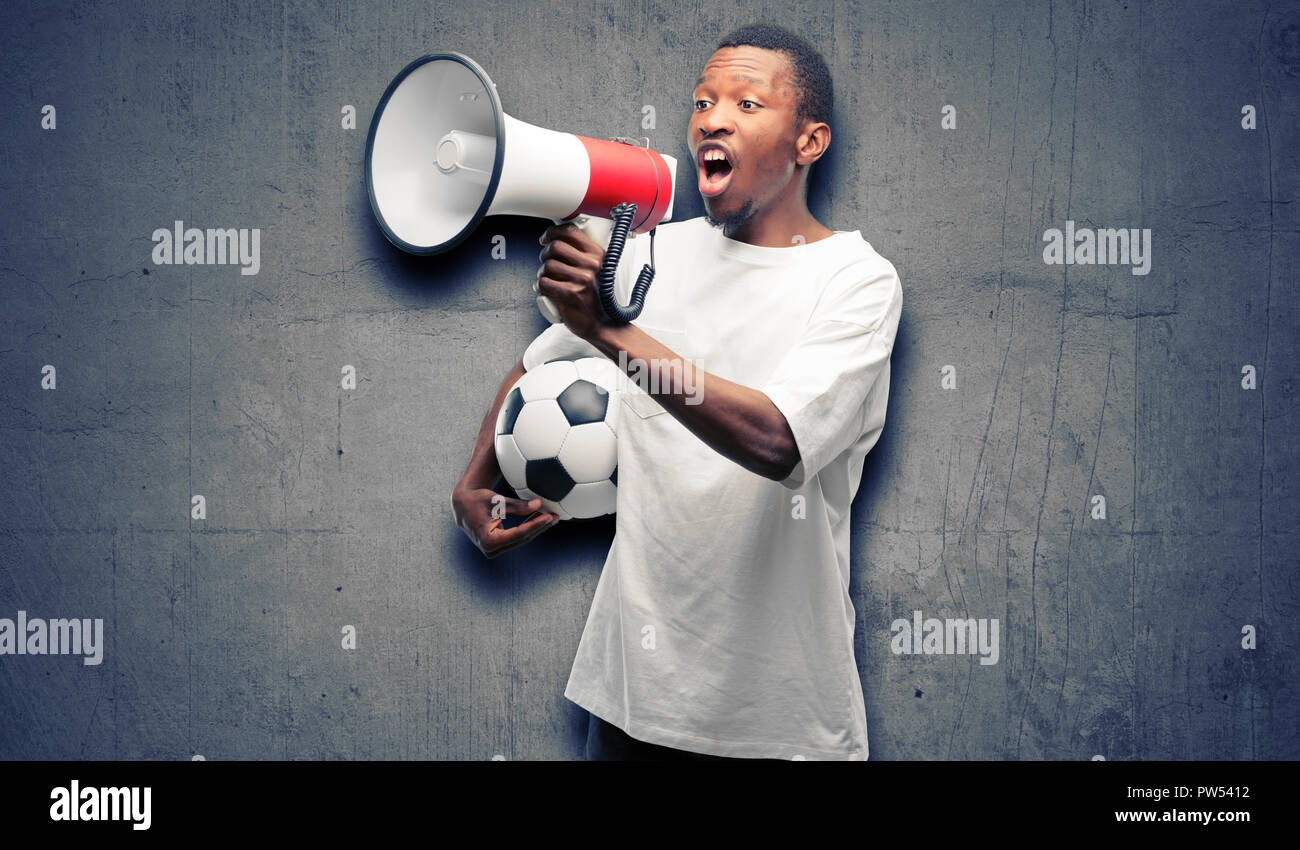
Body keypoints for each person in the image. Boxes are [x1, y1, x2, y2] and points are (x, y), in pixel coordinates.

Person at [451, 23, 903, 760]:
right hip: (630, 701)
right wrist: (473, 483)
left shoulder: (858, 280)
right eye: (702, 100)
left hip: (780, 719)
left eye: (747, 104)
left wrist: (609, 333)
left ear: (809, 142)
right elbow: (540, 366)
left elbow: (779, 441)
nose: (711, 118)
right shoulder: (649, 250)